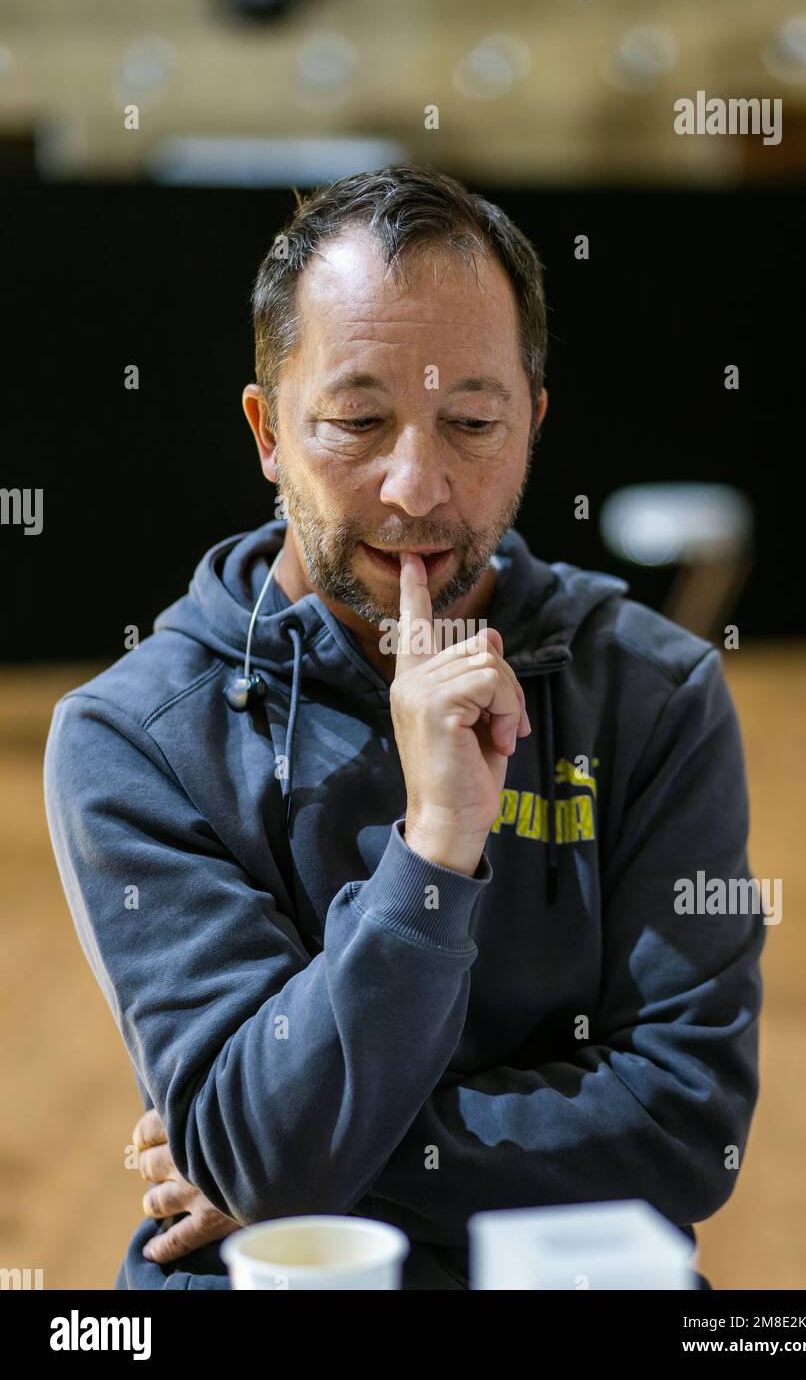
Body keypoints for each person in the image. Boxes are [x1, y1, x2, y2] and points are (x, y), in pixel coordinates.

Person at [44, 163, 762, 1291]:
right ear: (267, 431)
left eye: (471, 420)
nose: (417, 485)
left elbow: (684, 1126)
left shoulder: (655, 692)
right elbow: (265, 1146)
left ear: (532, 421)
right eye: (356, 420)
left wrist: (291, 1162)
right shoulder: (133, 736)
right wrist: (434, 848)